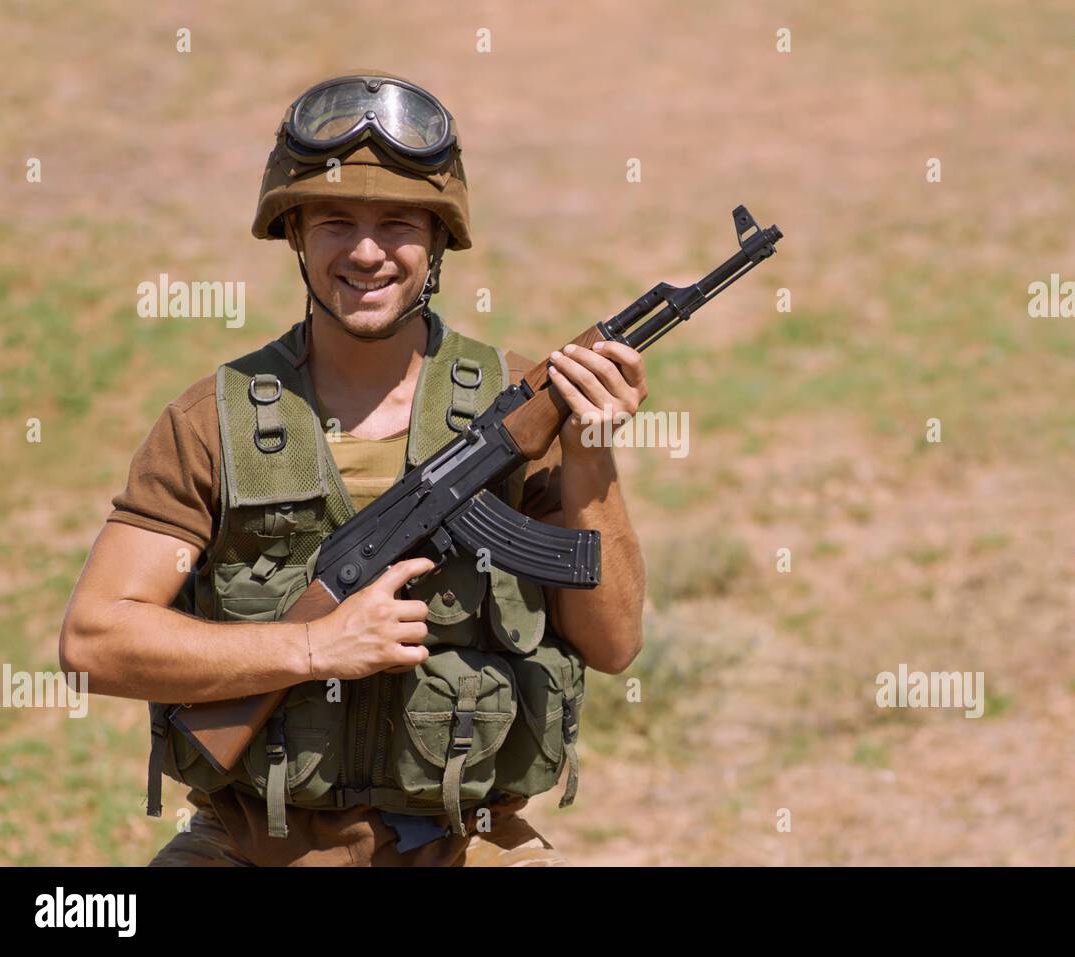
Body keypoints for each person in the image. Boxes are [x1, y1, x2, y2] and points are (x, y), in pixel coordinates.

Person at [58, 72, 648, 866]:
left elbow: (612, 645)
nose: (367, 252)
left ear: (438, 240)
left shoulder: (517, 415)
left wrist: (590, 450)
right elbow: (95, 642)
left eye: (399, 223)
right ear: (294, 234)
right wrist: (313, 649)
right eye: (336, 220)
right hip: (254, 847)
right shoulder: (215, 423)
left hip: (467, 844)